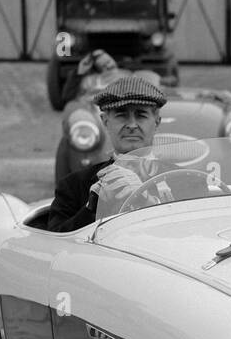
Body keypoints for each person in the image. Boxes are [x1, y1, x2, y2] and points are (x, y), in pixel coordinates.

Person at [47, 75, 167, 232]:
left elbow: (197, 237)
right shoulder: (74, 186)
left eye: (141, 115)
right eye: (121, 115)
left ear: (157, 121)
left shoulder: (186, 181)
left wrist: (146, 200)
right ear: (104, 121)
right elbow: (54, 242)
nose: (131, 125)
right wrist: (94, 206)